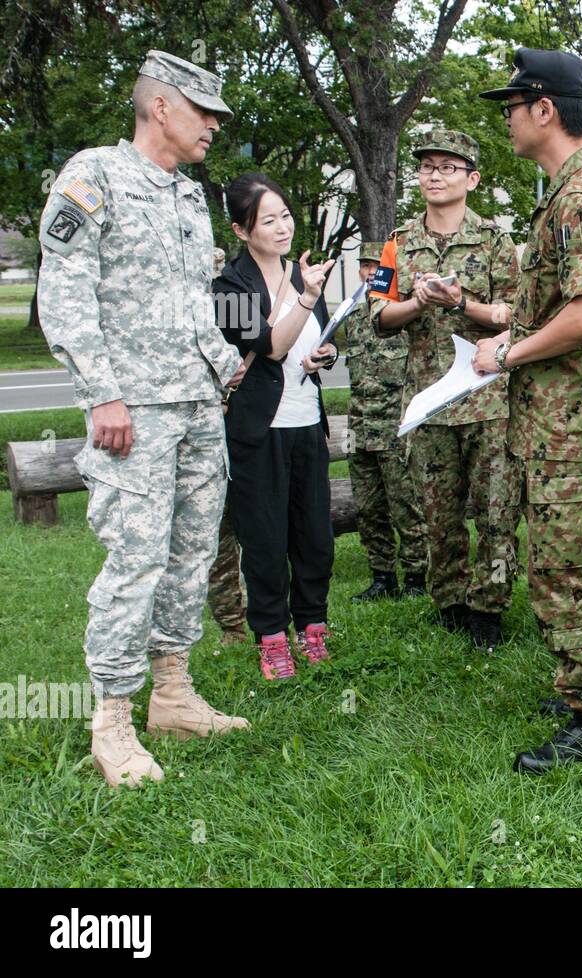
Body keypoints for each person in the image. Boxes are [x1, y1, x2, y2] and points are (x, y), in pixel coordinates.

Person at [37, 50, 249, 787]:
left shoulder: (188, 196)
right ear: (161, 107)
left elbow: (191, 301)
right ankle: (112, 721)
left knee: (191, 554)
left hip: (196, 403)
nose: (215, 127)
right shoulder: (92, 175)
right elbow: (64, 294)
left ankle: (173, 694)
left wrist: (225, 363)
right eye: (203, 113)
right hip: (135, 410)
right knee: (136, 560)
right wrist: (102, 395)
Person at [476, 48, 582, 772]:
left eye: (511, 106)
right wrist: (513, 335)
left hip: (572, 421)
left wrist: (506, 355)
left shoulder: (579, 196)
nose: (506, 119)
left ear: (546, 110)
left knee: (565, 564)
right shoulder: (568, 189)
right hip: (567, 415)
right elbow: (557, 307)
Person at [371, 131, 520, 649]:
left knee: (498, 512)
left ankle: (490, 608)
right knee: (440, 516)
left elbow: (515, 316)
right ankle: (451, 603)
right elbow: (378, 316)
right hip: (429, 402)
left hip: (487, 400)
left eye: (447, 167)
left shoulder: (497, 242)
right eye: (427, 167)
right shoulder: (397, 243)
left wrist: (461, 304)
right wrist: (417, 303)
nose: (434, 175)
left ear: (472, 179)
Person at [213, 174, 338, 681]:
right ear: (242, 230)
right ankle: (271, 637)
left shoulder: (302, 272)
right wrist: (304, 297)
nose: (283, 226)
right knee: (264, 539)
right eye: (268, 220)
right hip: (258, 430)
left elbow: (317, 341)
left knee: (314, 537)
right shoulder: (231, 286)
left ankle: (313, 627)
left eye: (285, 215)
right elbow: (270, 346)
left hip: (308, 422)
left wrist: (327, 355)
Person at [347, 241, 429, 604]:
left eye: (375, 268)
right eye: (364, 267)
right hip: (360, 424)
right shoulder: (352, 314)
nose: (369, 274)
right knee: (369, 509)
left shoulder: (399, 313)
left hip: (396, 424)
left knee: (404, 504)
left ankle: (416, 575)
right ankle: (382, 576)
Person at [205, 246, 250, 645]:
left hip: (239, 426)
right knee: (216, 534)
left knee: (247, 527)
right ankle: (232, 625)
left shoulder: (232, 302)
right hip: (201, 429)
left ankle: (252, 619)